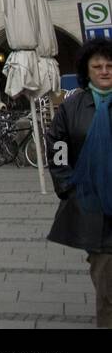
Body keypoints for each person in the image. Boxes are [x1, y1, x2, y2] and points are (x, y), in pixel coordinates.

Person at [46, 37, 112, 328]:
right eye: (97, 66)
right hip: (94, 207)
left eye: (110, 65)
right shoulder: (72, 107)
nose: (105, 71)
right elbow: (58, 150)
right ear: (87, 70)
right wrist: (68, 187)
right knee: (107, 283)